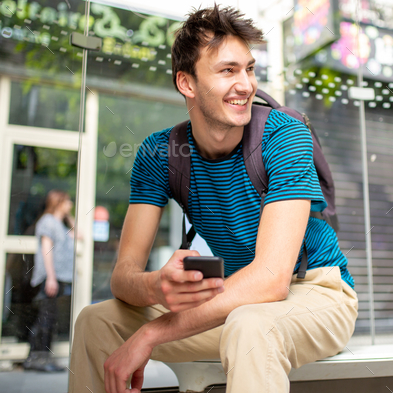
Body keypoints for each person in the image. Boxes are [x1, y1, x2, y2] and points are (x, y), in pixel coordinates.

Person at [68, 6, 358, 393]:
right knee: (95, 321)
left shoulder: (284, 135)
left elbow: (271, 281)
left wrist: (152, 333)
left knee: (251, 325)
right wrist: (157, 287)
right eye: (227, 71)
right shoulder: (160, 154)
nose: (245, 84)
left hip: (316, 291)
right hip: (236, 298)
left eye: (249, 69)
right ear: (186, 83)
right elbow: (123, 277)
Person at [24, 190, 75, 372]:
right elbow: (47, 250)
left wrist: (68, 217)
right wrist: (51, 278)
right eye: (67, 201)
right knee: (46, 319)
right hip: (50, 278)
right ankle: (39, 360)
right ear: (59, 202)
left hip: (58, 278)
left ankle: (36, 358)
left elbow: (80, 235)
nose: (70, 204)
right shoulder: (48, 222)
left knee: (47, 319)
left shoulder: (60, 225)